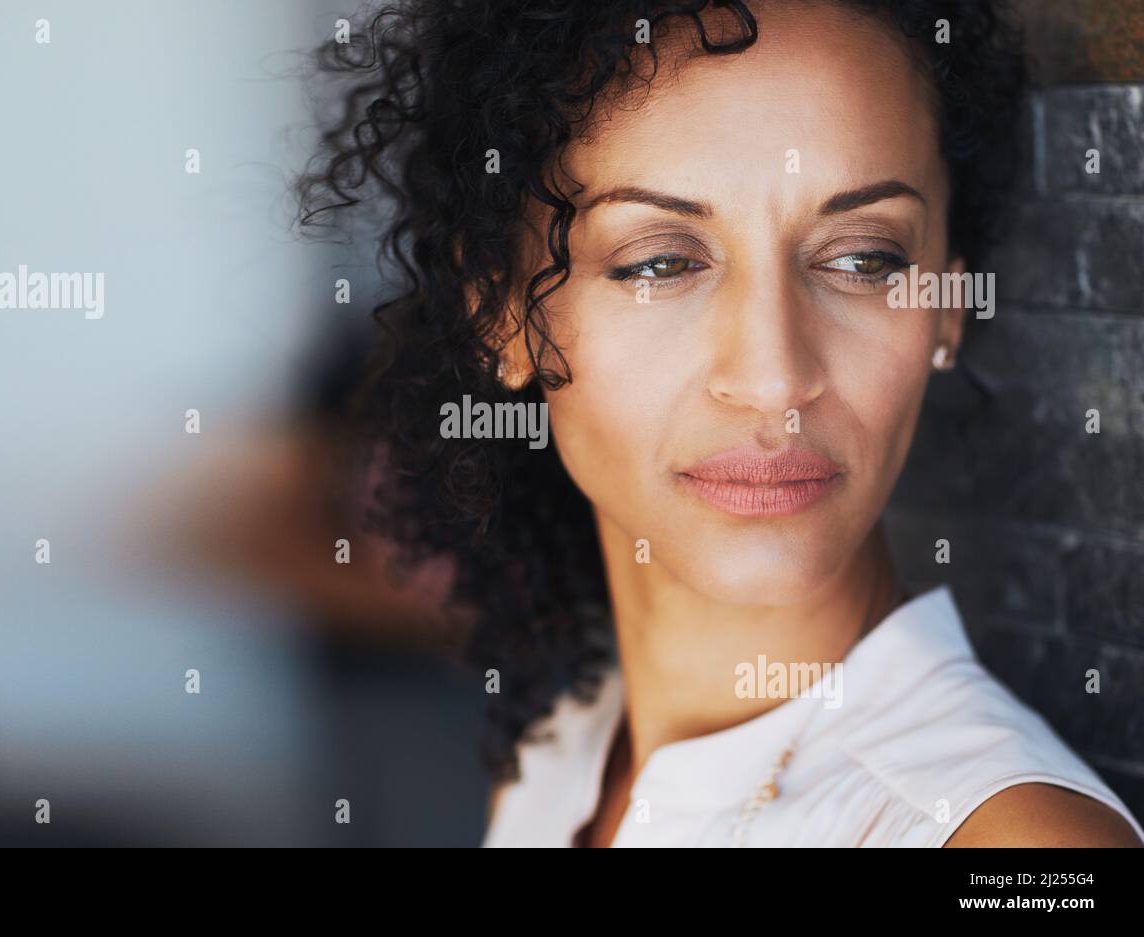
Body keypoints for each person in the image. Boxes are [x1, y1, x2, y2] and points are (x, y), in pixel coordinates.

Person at [297, 0, 1144, 846]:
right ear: (502, 318)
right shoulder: (558, 760)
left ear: (946, 309)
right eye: (660, 263)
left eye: (862, 259)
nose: (775, 377)